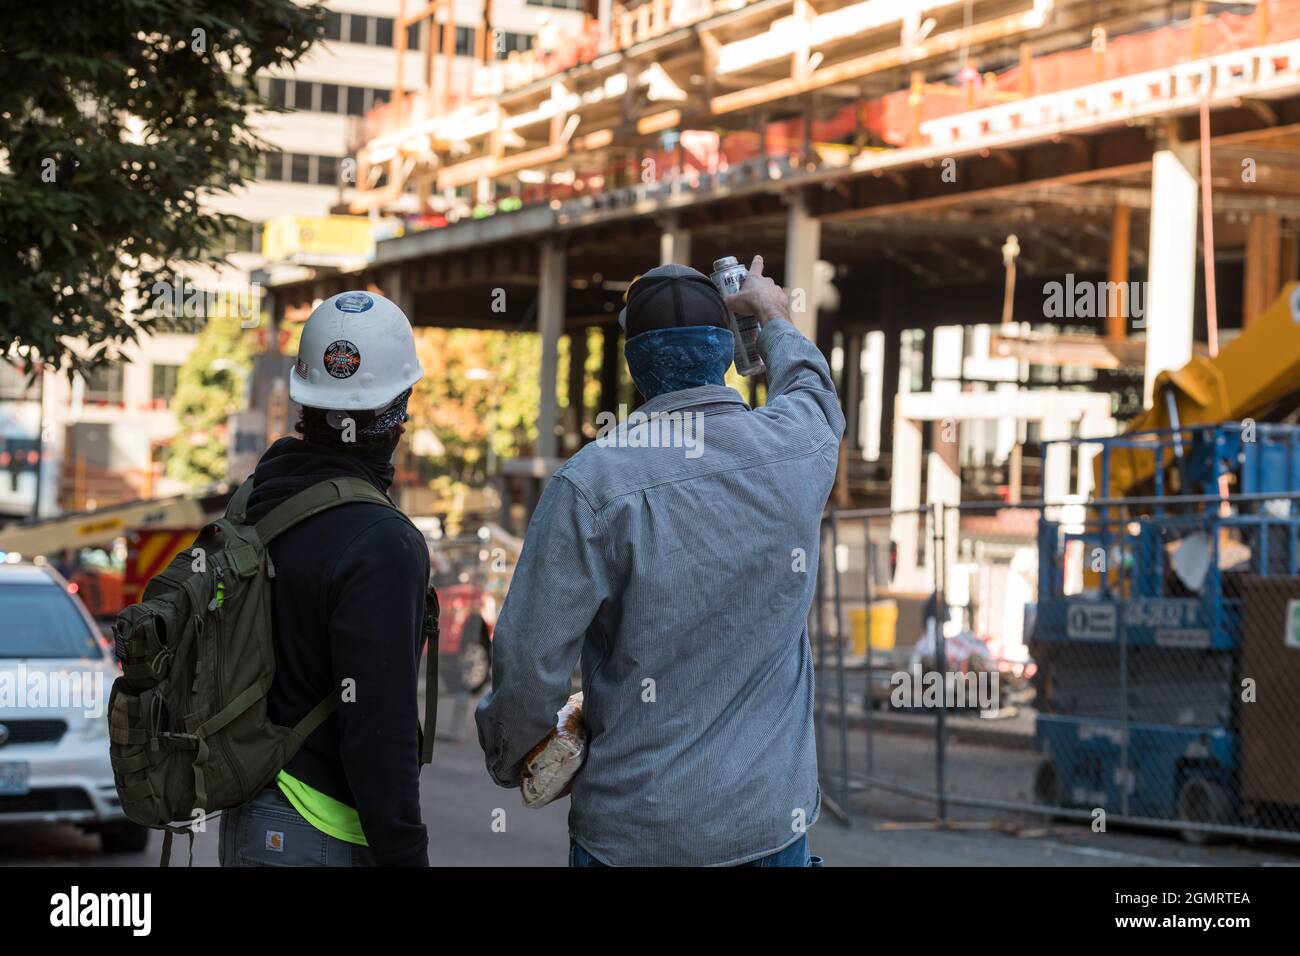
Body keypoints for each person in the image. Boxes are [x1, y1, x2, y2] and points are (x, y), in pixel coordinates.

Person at [476, 257, 844, 866]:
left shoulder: (594, 482)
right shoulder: (795, 450)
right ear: (727, 350)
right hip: (770, 827)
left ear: (634, 364)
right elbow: (811, 388)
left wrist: (518, 754)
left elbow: (528, 659)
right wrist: (772, 314)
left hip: (634, 834)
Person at [217, 290, 431, 867]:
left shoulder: (257, 503)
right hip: (321, 831)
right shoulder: (382, 542)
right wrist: (406, 854)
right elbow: (377, 727)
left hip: (250, 816)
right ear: (396, 416)